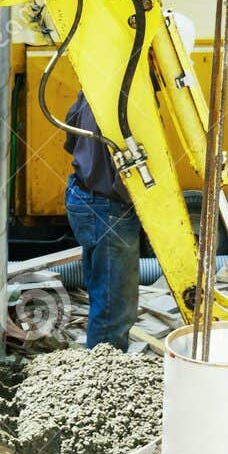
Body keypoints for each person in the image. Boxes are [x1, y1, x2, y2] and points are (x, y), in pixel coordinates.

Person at [63, 92, 142, 350]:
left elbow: (70, 130)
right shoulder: (133, 99)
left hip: (84, 194)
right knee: (114, 310)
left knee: (103, 294)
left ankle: (100, 362)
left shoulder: (95, 83)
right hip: (109, 206)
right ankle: (105, 375)